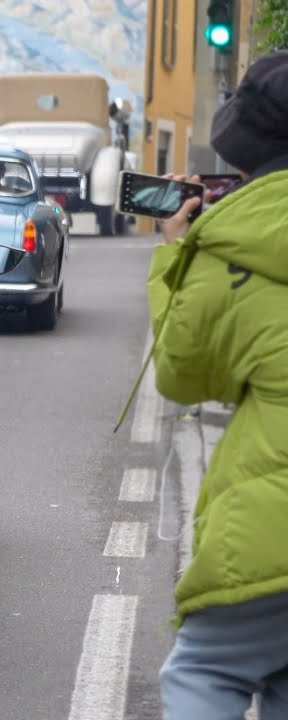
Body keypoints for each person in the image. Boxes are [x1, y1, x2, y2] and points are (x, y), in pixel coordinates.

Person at [145, 50, 288, 719]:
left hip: (271, 526)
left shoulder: (232, 246)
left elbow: (184, 374)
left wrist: (176, 252)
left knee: (207, 668)